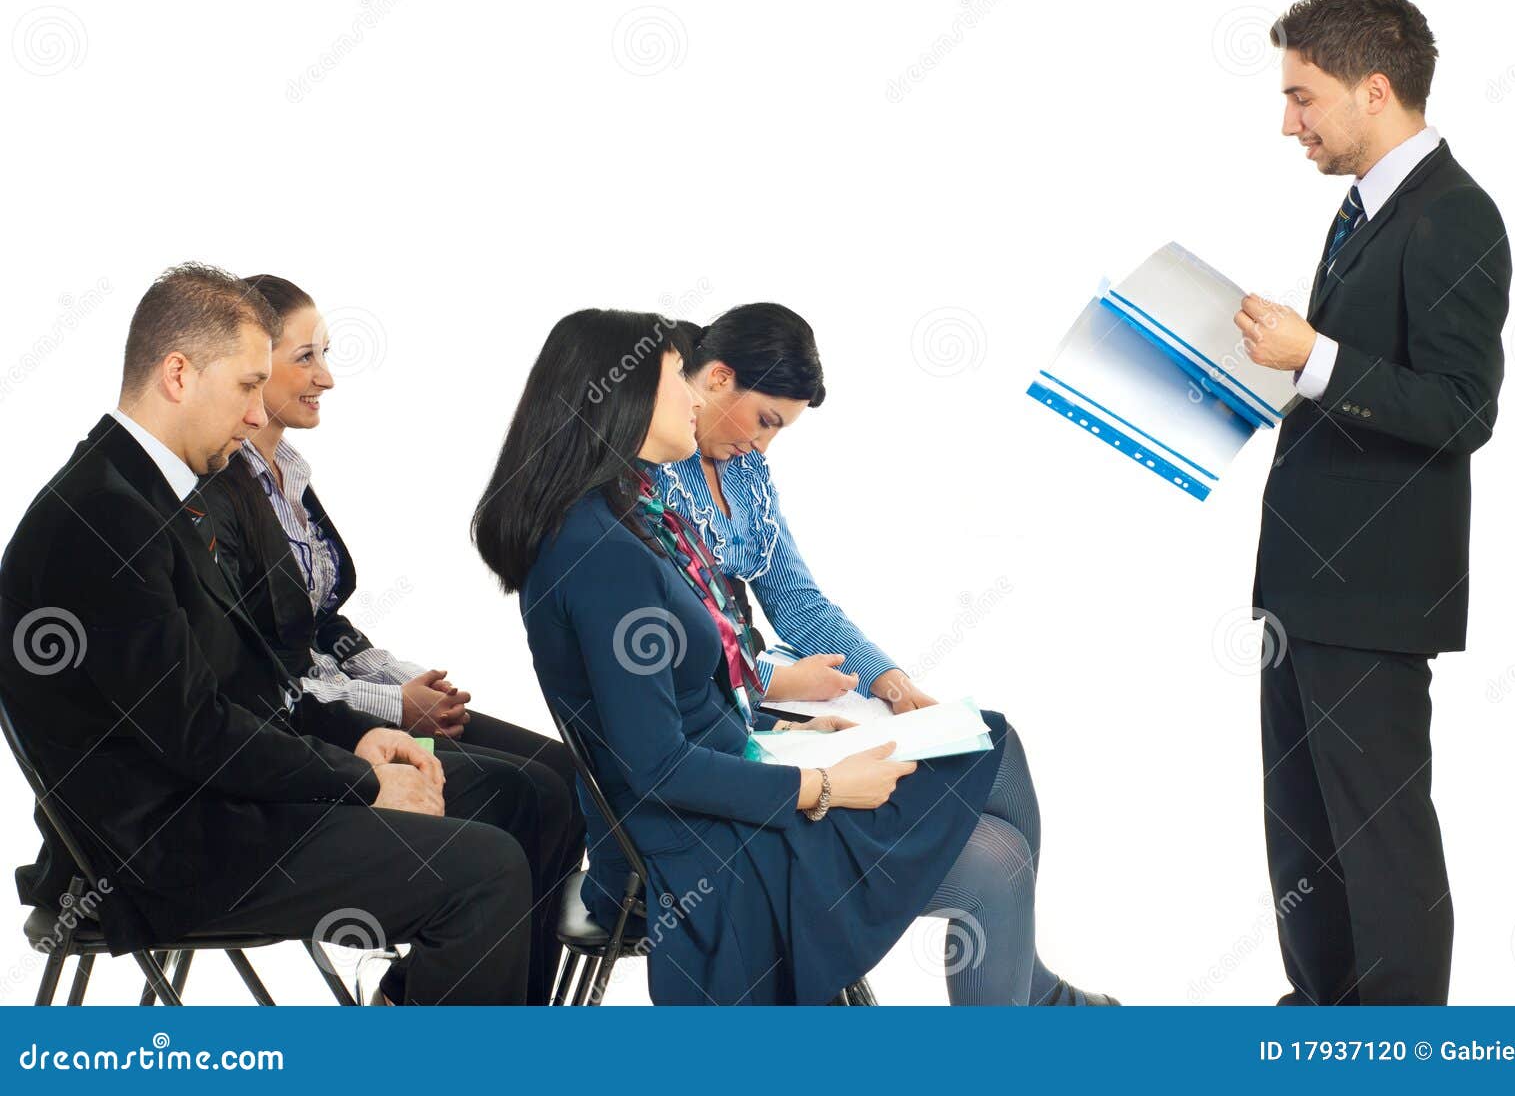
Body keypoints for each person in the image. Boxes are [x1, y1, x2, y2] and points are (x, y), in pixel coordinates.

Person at [474, 308, 1116, 1006]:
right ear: (621, 396)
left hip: (733, 787)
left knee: (992, 742)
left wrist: (791, 732)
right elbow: (658, 766)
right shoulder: (607, 551)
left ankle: (1037, 1000)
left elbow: (691, 688)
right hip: (703, 848)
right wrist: (825, 785)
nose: (693, 394)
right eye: (676, 381)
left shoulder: (625, 515)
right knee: (994, 861)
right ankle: (1037, 1018)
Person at [0, 263, 538, 1004]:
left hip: (215, 804)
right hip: (167, 849)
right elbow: (196, 730)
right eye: (249, 386)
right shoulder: (103, 515)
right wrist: (360, 780)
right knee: (486, 874)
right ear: (179, 374)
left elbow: (243, 683)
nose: (258, 416)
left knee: (518, 802)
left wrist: (355, 740)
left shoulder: (155, 491)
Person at [1235, 0, 1511, 1004]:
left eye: (1304, 98)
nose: (1288, 123)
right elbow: (1360, 383)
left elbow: (1459, 408)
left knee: (1378, 835)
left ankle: (1399, 1047)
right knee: (1302, 825)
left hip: (1373, 591)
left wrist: (1314, 360)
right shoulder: (1363, 211)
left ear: (1374, 89)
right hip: (1304, 585)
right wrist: (1278, 372)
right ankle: (1321, 1020)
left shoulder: (1454, 216)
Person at [202, 275, 585, 999]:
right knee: (526, 801)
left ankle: (485, 1008)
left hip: (350, 695)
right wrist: (388, 706)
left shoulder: (288, 476)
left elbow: (322, 624)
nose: (327, 376)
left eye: (328, 353)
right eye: (304, 357)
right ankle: (440, 1007)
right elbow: (273, 669)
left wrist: (407, 682)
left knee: (563, 775)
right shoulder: (218, 496)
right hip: (312, 731)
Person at [653, 303, 936, 713]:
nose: (762, 444)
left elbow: (795, 600)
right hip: (690, 706)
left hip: (736, 693)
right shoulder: (652, 464)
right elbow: (650, 629)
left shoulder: (746, 472)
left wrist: (886, 678)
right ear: (719, 378)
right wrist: (775, 682)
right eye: (765, 420)